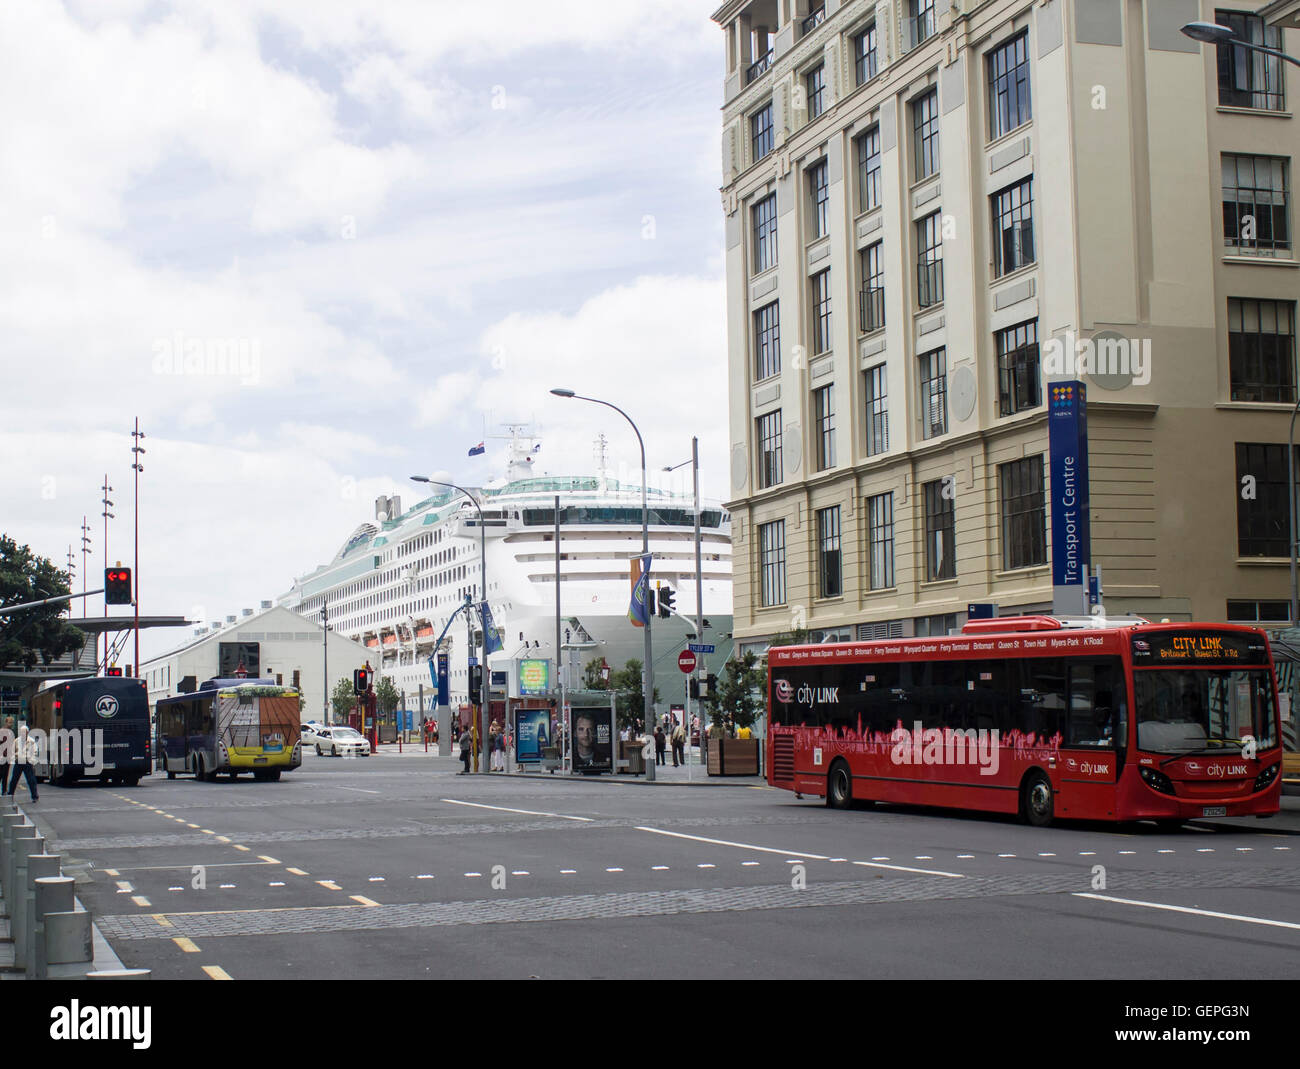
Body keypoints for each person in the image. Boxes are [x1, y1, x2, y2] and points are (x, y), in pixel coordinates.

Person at [8, 719, 38, 802]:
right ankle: (10, 795)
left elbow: (35, 751)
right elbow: (12, 751)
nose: (23, 733)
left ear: (27, 732)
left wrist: (31, 761)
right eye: (22, 732)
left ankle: (34, 796)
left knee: (31, 780)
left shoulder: (31, 741)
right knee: (14, 779)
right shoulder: (17, 741)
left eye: (24, 732)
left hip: (27, 762)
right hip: (19, 762)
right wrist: (15, 759)